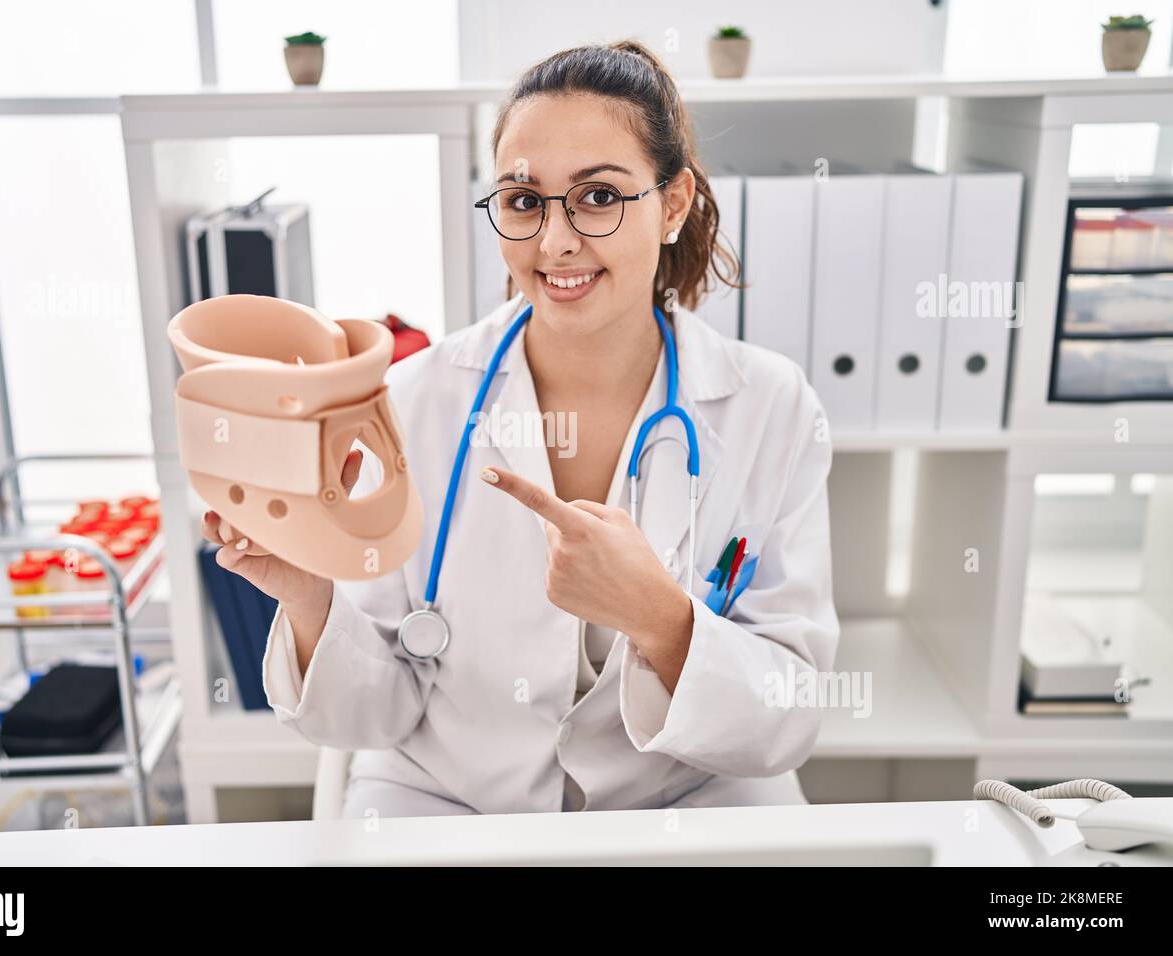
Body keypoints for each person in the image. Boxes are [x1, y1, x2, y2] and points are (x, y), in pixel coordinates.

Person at [202, 39, 839, 817]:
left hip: (682, 800)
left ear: (672, 205)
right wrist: (307, 600)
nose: (555, 241)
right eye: (523, 199)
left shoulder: (769, 407)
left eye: (599, 197)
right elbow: (373, 714)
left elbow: (790, 707)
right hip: (450, 799)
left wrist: (661, 621)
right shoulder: (412, 400)